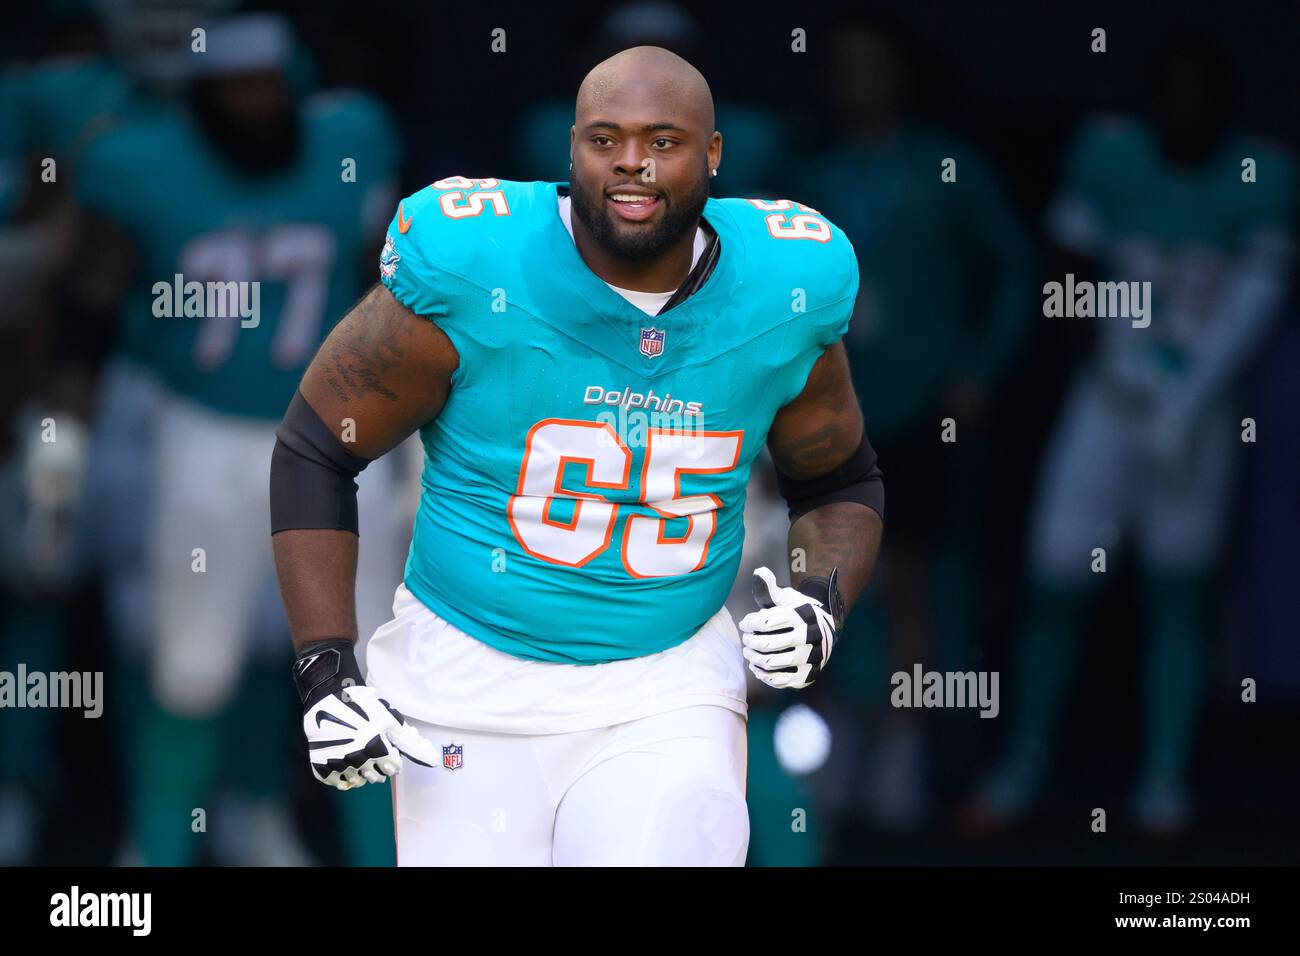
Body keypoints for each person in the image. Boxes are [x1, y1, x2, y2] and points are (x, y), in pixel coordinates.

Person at [272, 46, 885, 866]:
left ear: (712, 155)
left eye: (663, 141)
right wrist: (325, 667)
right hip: (466, 672)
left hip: (666, 681)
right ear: (572, 149)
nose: (631, 163)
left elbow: (841, 478)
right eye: (607, 139)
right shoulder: (475, 263)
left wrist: (820, 600)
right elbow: (316, 447)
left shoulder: (786, 280)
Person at [73, 13, 408, 864]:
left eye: (270, 82)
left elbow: (392, 289)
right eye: (237, 85)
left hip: (340, 436)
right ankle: (152, 853)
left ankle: (375, 850)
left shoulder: (352, 136)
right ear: (199, 92)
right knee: (191, 666)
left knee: (372, 668)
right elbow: (87, 302)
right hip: (203, 430)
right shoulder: (136, 160)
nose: (258, 102)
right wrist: (61, 427)